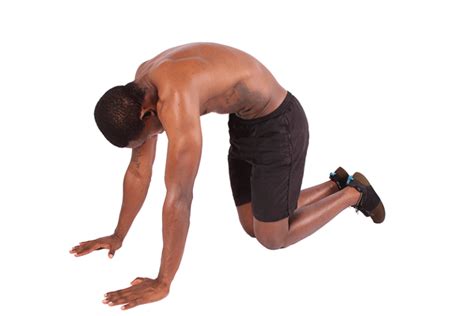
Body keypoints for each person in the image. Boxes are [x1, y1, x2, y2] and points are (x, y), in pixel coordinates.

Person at [69, 42, 385, 310]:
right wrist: (118, 235)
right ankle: (335, 183)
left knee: (272, 238)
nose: (153, 139)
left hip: (280, 127)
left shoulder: (176, 103)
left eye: (148, 135)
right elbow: (139, 170)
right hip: (245, 125)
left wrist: (163, 281)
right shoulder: (142, 83)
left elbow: (179, 198)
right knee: (252, 226)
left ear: (146, 114)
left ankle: (354, 193)